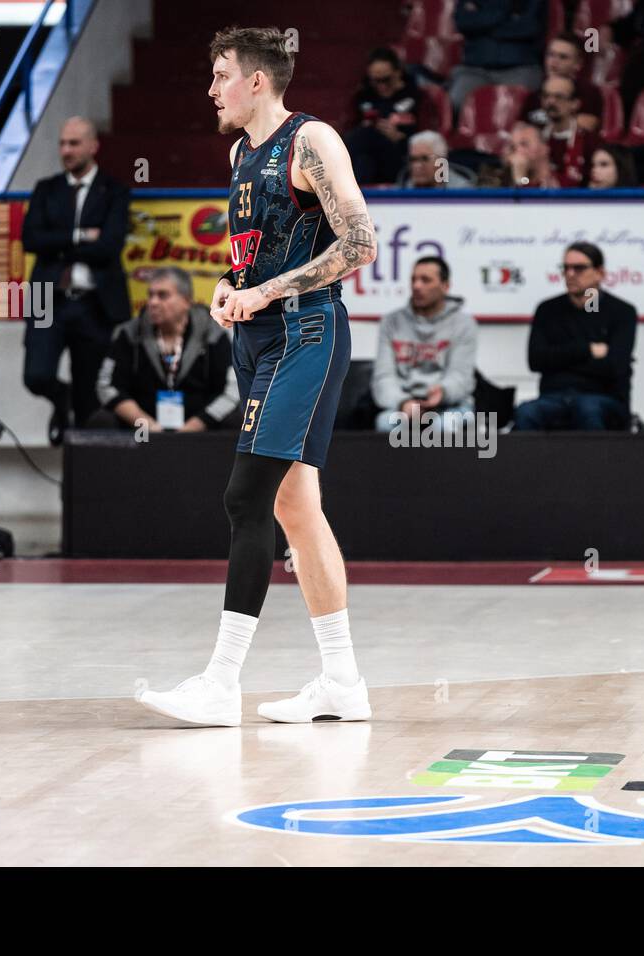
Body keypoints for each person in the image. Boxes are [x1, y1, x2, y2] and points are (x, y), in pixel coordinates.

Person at [138, 26, 377, 728]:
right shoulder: (240, 152)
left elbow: (361, 241)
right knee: (296, 508)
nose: (211, 89)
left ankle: (221, 684)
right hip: (258, 337)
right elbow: (256, 255)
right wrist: (227, 284)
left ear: (257, 81)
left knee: (246, 498)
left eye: (221, 76)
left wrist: (266, 292)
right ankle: (343, 682)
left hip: (306, 332)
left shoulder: (312, 140)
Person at [22, 116, 132, 446]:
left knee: (89, 395)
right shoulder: (46, 189)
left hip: (94, 304)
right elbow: (31, 240)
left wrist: (57, 244)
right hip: (48, 300)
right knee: (36, 375)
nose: (66, 150)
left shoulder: (114, 191)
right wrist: (80, 236)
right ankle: (61, 398)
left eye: (73, 143)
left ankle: (79, 469)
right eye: (62, 143)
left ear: (93, 146)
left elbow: (109, 245)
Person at [91, 267, 241, 433]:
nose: (153, 302)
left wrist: (193, 427)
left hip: (199, 429)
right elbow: (107, 386)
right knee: (101, 420)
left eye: (162, 295)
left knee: (236, 420)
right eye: (150, 295)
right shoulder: (129, 332)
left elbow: (230, 391)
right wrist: (146, 424)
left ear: (186, 301)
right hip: (143, 428)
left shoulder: (212, 334)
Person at [513, 241, 636, 431]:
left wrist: (559, 360)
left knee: (587, 409)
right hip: (553, 397)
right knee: (526, 412)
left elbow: (615, 367)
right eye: (566, 268)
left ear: (600, 273)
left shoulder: (621, 312)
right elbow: (536, 360)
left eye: (579, 268)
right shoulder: (547, 310)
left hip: (603, 397)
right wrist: (587, 350)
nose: (570, 274)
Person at [372, 256, 477, 434]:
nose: (417, 286)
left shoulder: (464, 324)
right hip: (404, 405)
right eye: (413, 279)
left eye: (426, 280)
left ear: (445, 286)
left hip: (451, 405)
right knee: (384, 424)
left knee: (441, 427)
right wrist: (403, 402)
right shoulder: (391, 322)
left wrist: (442, 392)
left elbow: (461, 377)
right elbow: (383, 378)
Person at [344, 48, 436, 185]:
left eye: (386, 79)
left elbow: (429, 137)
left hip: (402, 156)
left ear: (398, 72)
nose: (381, 85)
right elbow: (348, 129)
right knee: (364, 160)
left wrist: (400, 137)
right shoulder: (362, 96)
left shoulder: (417, 96)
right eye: (376, 80)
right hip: (367, 160)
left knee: (365, 135)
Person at [448, 0, 546, 112]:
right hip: (475, 69)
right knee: (456, 102)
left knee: (515, 108)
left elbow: (529, 27)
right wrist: (507, 14)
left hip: (520, 68)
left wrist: (481, 24)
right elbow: (463, 21)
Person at [520, 32, 604, 133]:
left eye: (563, 57)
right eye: (551, 55)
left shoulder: (588, 92)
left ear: (578, 64)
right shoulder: (535, 93)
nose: (554, 62)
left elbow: (588, 124)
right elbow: (520, 127)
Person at [539, 75, 602, 187]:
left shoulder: (591, 142)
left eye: (559, 97)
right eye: (546, 96)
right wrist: (523, 180)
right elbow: (525, 180)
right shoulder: (536, 139)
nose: (551, 101)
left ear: (575, 104)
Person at [395, 131, 478, 188]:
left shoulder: (463, 193)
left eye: (424, 159)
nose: (417, 166)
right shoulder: (400, 191)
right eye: (413, 159)